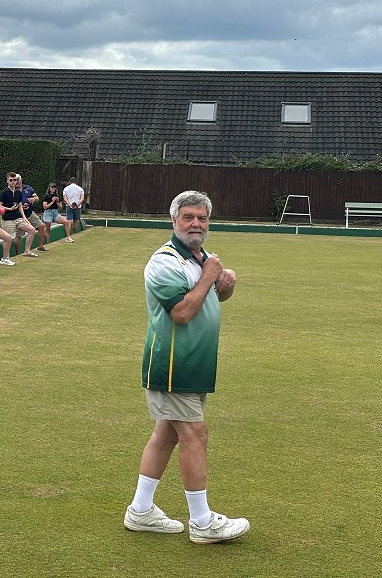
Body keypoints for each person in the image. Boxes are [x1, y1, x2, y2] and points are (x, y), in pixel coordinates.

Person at [123, 190, 249, 544]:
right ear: (174, 221)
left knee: (167, 434)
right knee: (195, 434)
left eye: (202, 218)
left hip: (194, 365)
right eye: (188, 217)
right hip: (173, 365)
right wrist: (211, 275)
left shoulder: (200, 257)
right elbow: (181, 312)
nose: (196, 223)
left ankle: (141, 510)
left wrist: (224, 285)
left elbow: (208, 297)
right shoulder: (164, 261)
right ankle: (202, 522)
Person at [0, 172, 37, 259]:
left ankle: (27, 251)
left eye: (14, 180)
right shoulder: (3, 193)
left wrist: (24, 217)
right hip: (7, 219)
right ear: (7, 181)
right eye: (11, 180)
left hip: (18, 218)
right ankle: (6, 258)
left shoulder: (18, 192)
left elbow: (19, 206)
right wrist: (9, 209)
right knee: (8, 238)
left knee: (32, 230)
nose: (13, 182)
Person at [17, 173, 49, 252]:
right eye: (15, 180)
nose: (16, 182)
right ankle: (18, 253)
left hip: (30, 213)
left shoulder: (28, 188)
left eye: (18, 180)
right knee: (18, 235)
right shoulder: (13, 191)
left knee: (41, 226)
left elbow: (37, 197)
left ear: (21, 180)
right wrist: (19, 207)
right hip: (19, 215)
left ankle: (40, 246)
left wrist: (34, 199)